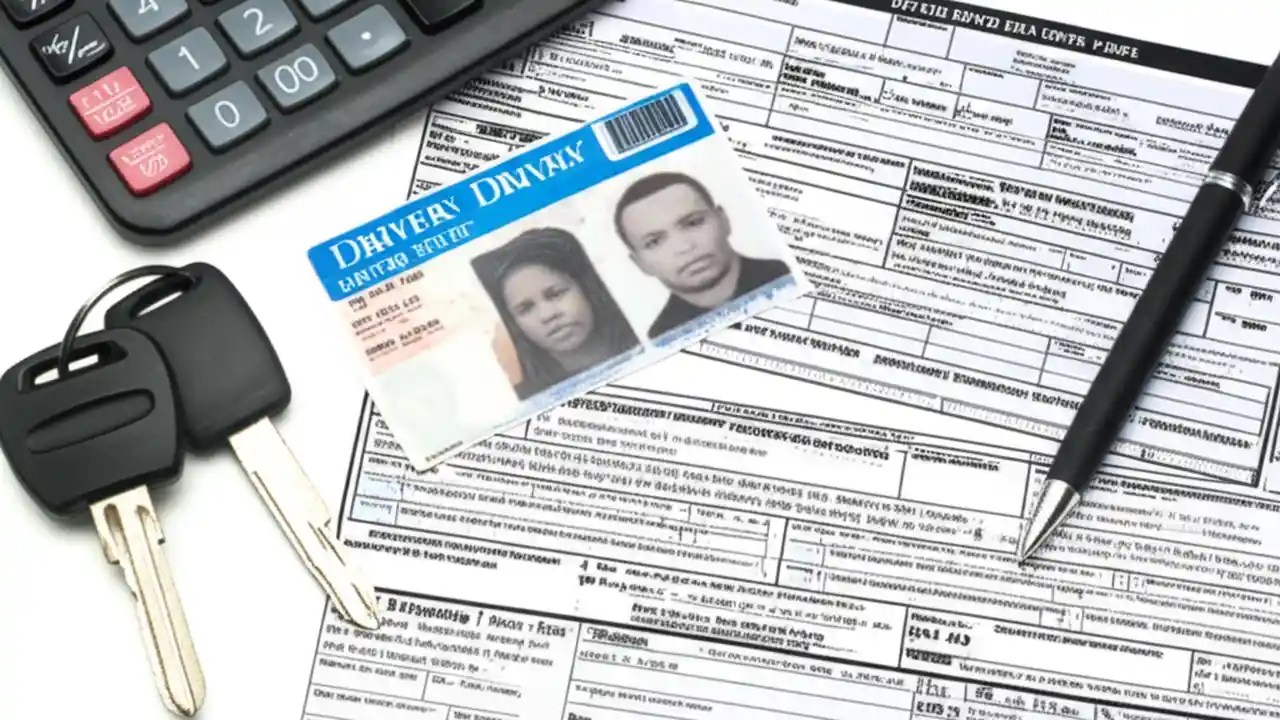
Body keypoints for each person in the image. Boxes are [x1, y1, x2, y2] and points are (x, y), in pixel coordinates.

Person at [613, 172, 792, 339]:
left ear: (723, 220)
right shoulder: (663, 337)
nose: (684, 247)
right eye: (654, 242)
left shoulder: (790, 274)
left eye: (693, 223)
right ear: (640, 264)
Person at [473, 227, 640, 400]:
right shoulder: (527, 397)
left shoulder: (644, 336)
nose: (548, 315)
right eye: (526, 309)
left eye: (555, 294)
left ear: (586, 288)